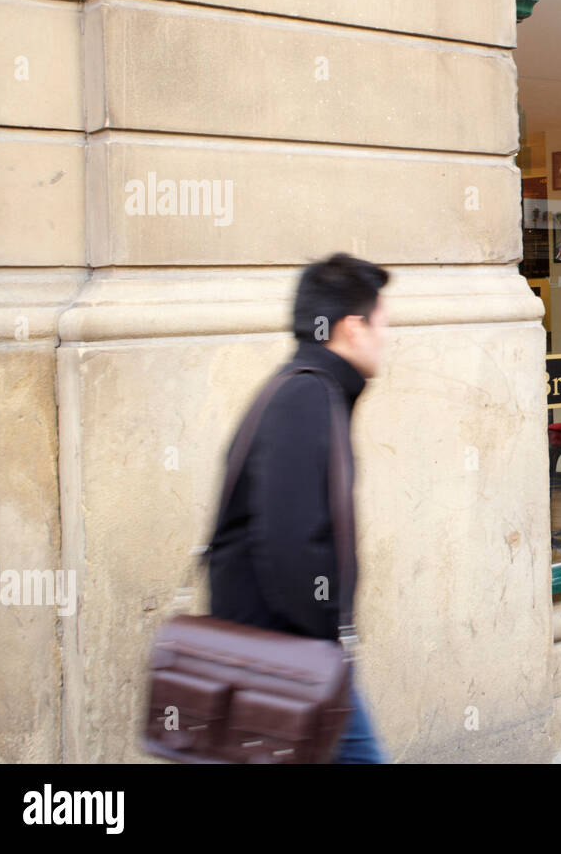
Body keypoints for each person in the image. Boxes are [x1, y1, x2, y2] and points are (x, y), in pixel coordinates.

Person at [208, 253, 390, 763]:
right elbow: (288, 541)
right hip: (286, 662)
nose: (386, 338)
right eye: (382, 323)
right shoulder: (306, 396)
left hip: (287, 658)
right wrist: (322, 647)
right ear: (352, 328)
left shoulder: (308, 388)